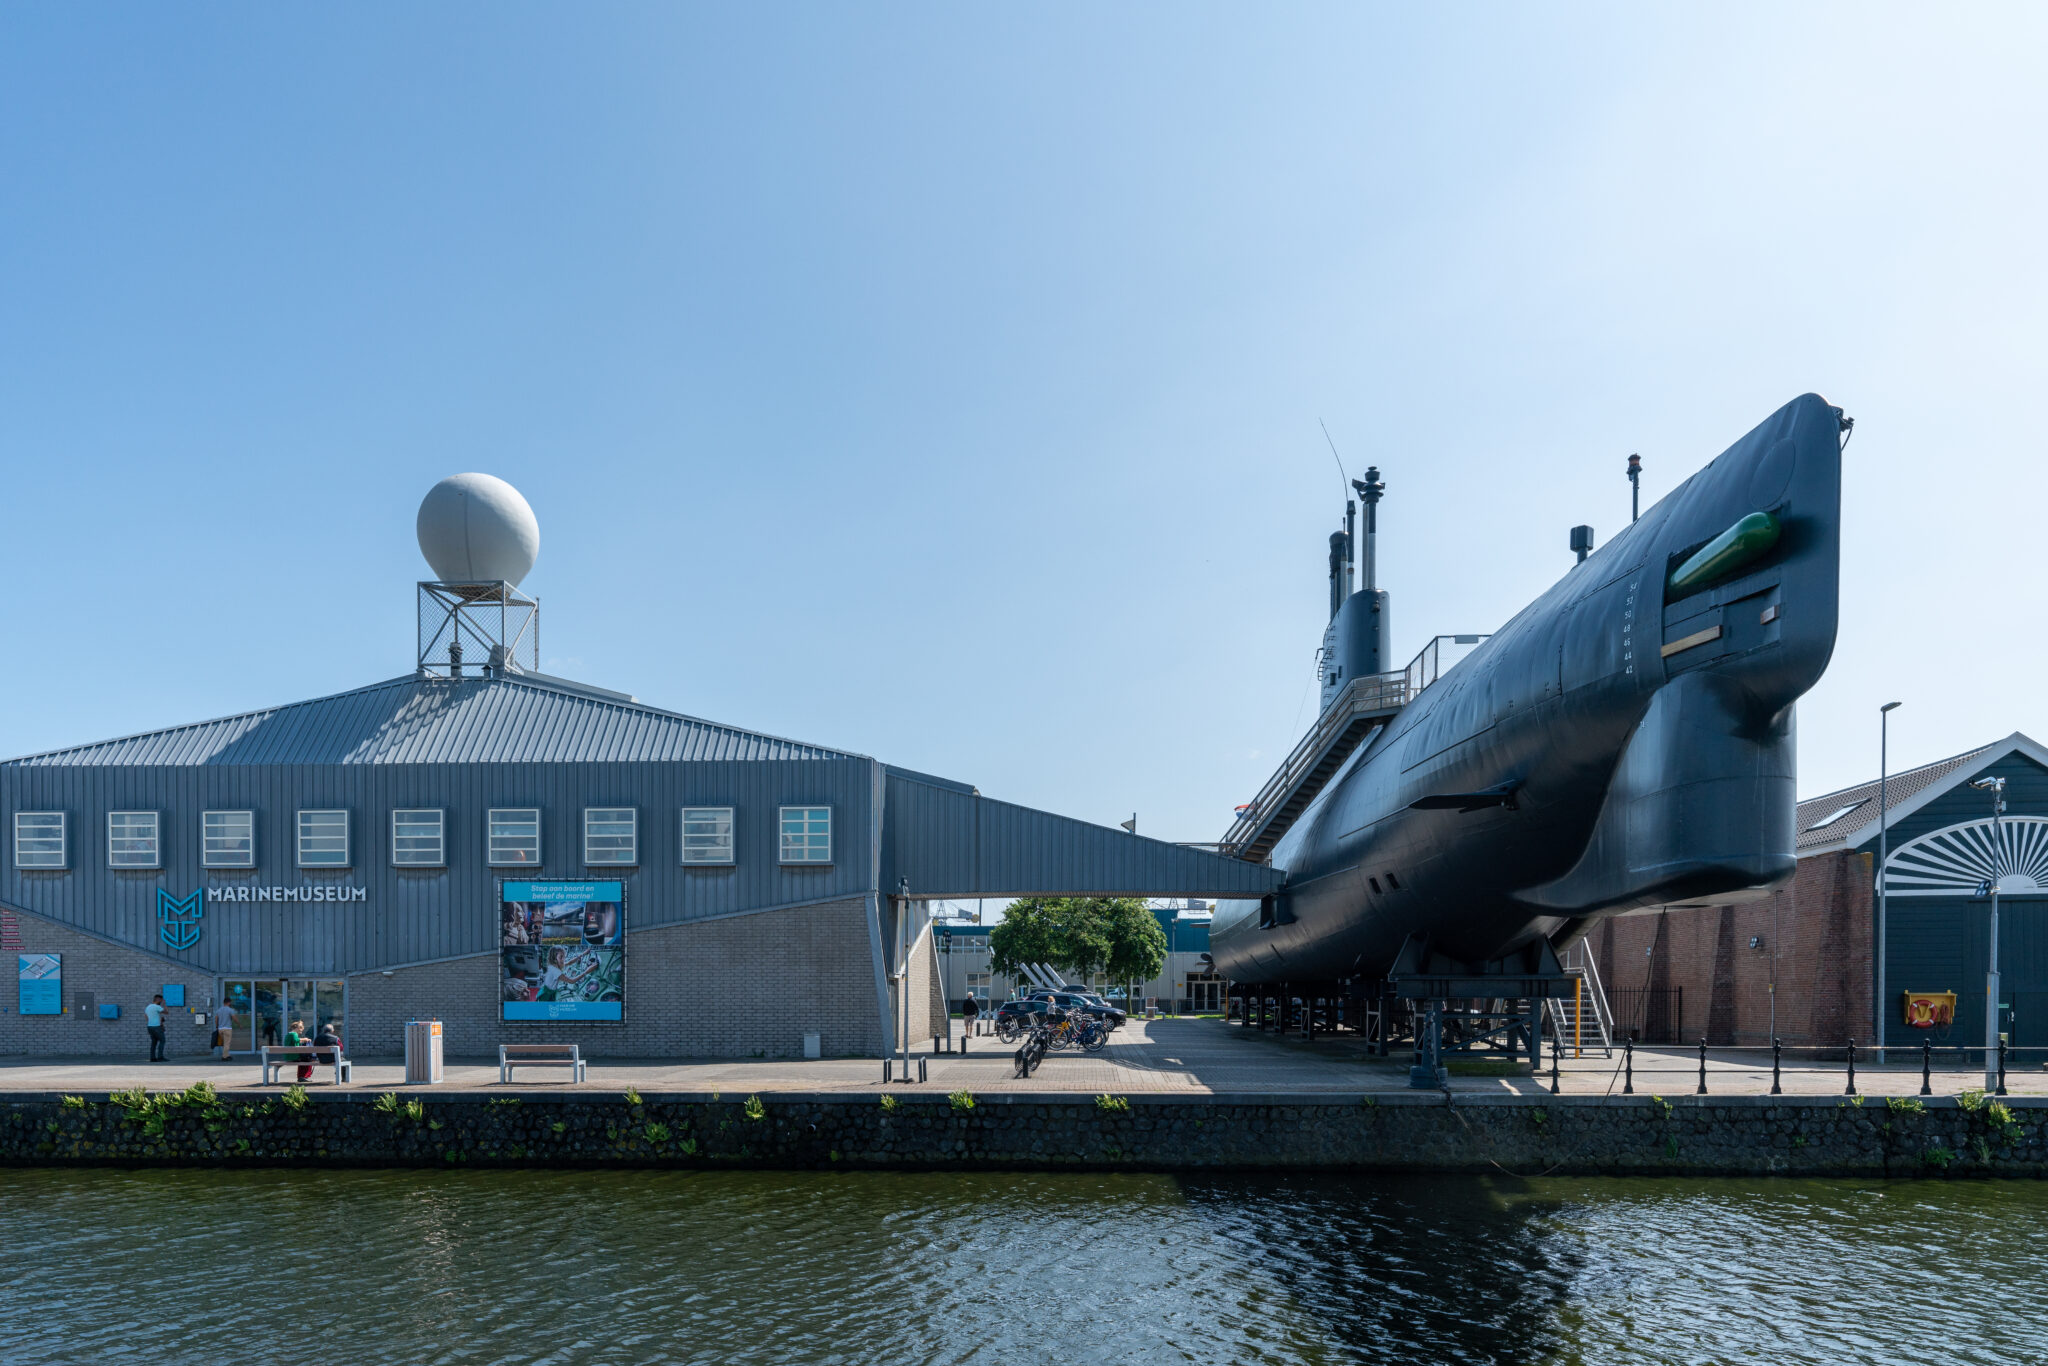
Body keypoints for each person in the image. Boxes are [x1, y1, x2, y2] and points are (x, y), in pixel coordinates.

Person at [285, 1018, 314, 1083]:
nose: (301, 1031)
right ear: (297, 1028)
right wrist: (305, 1039)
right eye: (301, 1029)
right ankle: (303, 1076)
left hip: (289, 1056)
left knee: (304, 1059)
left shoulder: (289, 1034)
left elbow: (295, 1042)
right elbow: (296, 1040)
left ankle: (301, 1077)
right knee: (308, 1060)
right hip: (293, 1056)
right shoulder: (293, 1034)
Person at [145, 993, 167, 1062]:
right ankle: (160, 1057)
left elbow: (146, 1017)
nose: (161, 1002)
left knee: (154, 1042)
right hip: (156, 1027)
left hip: (150, 1027)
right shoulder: (157, 1007)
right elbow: (166, 1012)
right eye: (161, 1000)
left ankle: (153, 1058)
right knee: (162, 1041)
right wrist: (164, 1004)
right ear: (159, 999)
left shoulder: (148, 1007)